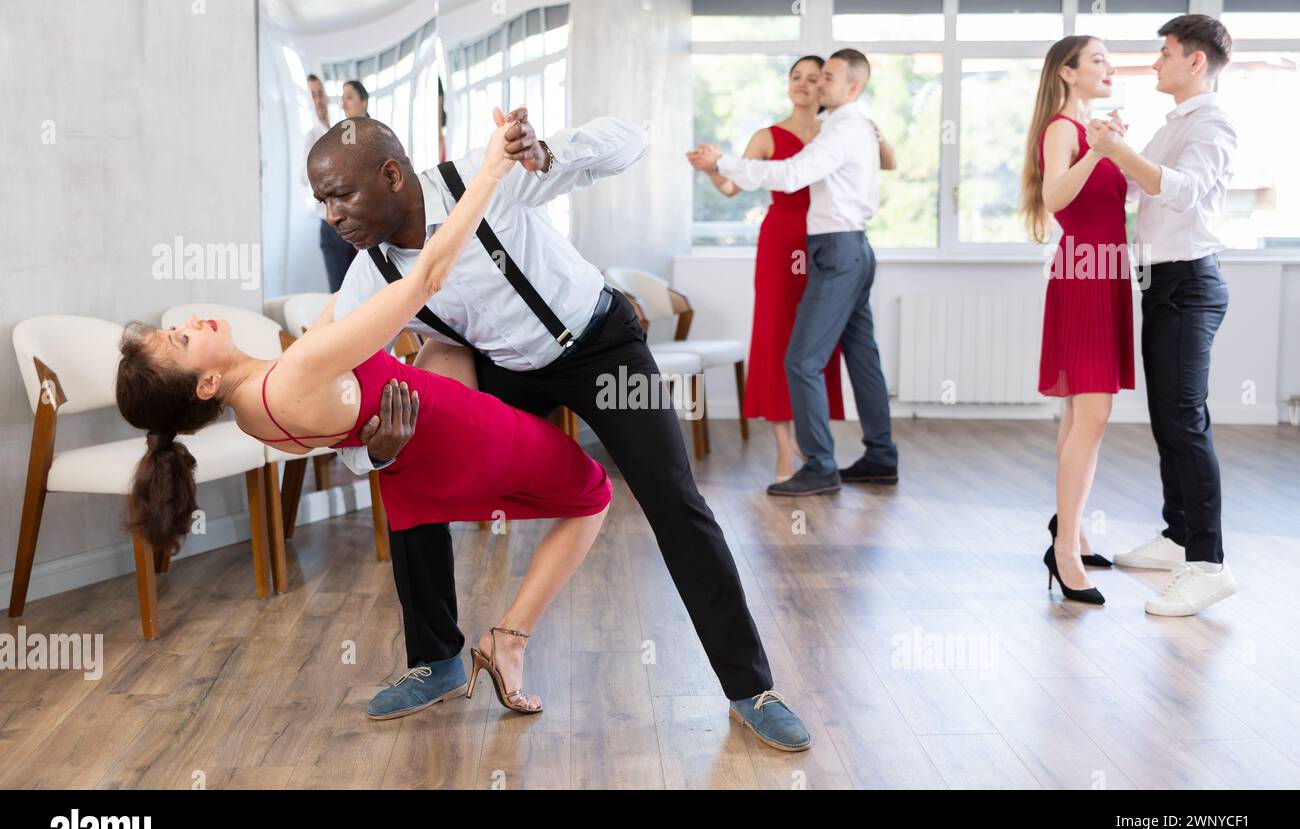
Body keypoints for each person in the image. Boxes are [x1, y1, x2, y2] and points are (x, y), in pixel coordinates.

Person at [311, 111, 811, 751]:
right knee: (405, 468)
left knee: (675, 502)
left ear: (391, 175)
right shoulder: (367, 272)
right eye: (322, 201)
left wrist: (545, 153)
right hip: (510, 371)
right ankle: (437, 661)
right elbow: (329, 378)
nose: (332, 216)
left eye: (341, 195)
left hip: (602, 351)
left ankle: (751, 689)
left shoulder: (482, 176)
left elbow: (634, 136)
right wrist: (369, 453)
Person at [116, 111, 610, 713]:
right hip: (469, 435)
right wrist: (489, 171)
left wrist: (378, 445)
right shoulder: (297, 370)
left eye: (177, 328)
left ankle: (440, 665)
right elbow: (426, 277)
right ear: (206, 383)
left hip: (415, 471)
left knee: (443, 343)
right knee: (594, 496)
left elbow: (347, 349)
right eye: (182, 341)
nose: (190, 322)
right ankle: (508, 638)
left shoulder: (256, 414)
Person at [688, 48, 899, 497]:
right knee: (862, 356)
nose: (817, 83)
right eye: (809, 76)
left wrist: (722, 161)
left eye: (826, 77)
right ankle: (880, 456)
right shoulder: (850, 124)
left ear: (852, 87)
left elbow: (792, 174)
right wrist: (719, 168)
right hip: (847, 247)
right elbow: (748, 184)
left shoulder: (841, 128)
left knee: (802, 360)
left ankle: (820, 465)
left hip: (835, 250)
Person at [1085, 14, 1239, 617]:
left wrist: (1120, 150)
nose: (1155, 63)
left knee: (1184, 422)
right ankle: (1178, 538)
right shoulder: (1175, 123)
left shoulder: (1213, 123)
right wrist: (1111, 151)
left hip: (1188, 282)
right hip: (1163, 284)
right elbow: (1134, 187)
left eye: (1165, 53)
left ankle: (1208, 564)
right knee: (1168, 419)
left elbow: (1181, 189)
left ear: (1195, 61)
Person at [1019, 35, 1132, 606]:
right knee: (1093, 412)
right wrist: (1098, 151)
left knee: (1078, 412)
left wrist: (1113, 149)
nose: (1108, 67)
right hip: (1084, 274)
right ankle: (1064, 551)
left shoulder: (1094, 129)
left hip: (1105, 271)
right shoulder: (1065, 130)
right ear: (1067, 73)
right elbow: (1058, 200)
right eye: (1097, 60)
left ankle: (1073, 534)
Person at [306, 74, 355, 291]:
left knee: (356, 288)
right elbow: (304, 175)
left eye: (320, 93)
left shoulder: (340, 129)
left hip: (350, 220)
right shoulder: (311, 136)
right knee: (338, 291)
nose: (318, 99)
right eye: (313, 95)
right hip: (329, 225)